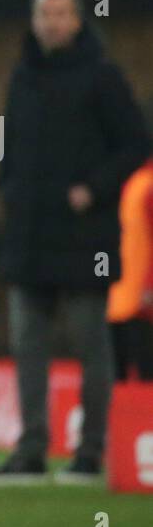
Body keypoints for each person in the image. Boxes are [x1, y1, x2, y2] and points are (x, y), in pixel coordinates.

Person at [0, 0, 150, 486]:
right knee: (27, 342)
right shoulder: (22, 76)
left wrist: (92, 190)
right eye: (43, 14)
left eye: (61, 13)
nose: (51, 22)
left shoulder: (103, 76)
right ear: (33, 21)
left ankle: (90, 454)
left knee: (90, 343)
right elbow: (10, 142)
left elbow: (136, 145)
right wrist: (7, 186)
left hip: (82, 236)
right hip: (28, 234)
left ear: (78, 20)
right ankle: (30, 450)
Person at [108, 159, 153, 381]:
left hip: (141, 299)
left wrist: (149, 284)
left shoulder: (143, 186)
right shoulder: (134, 184)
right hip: (124, 295)